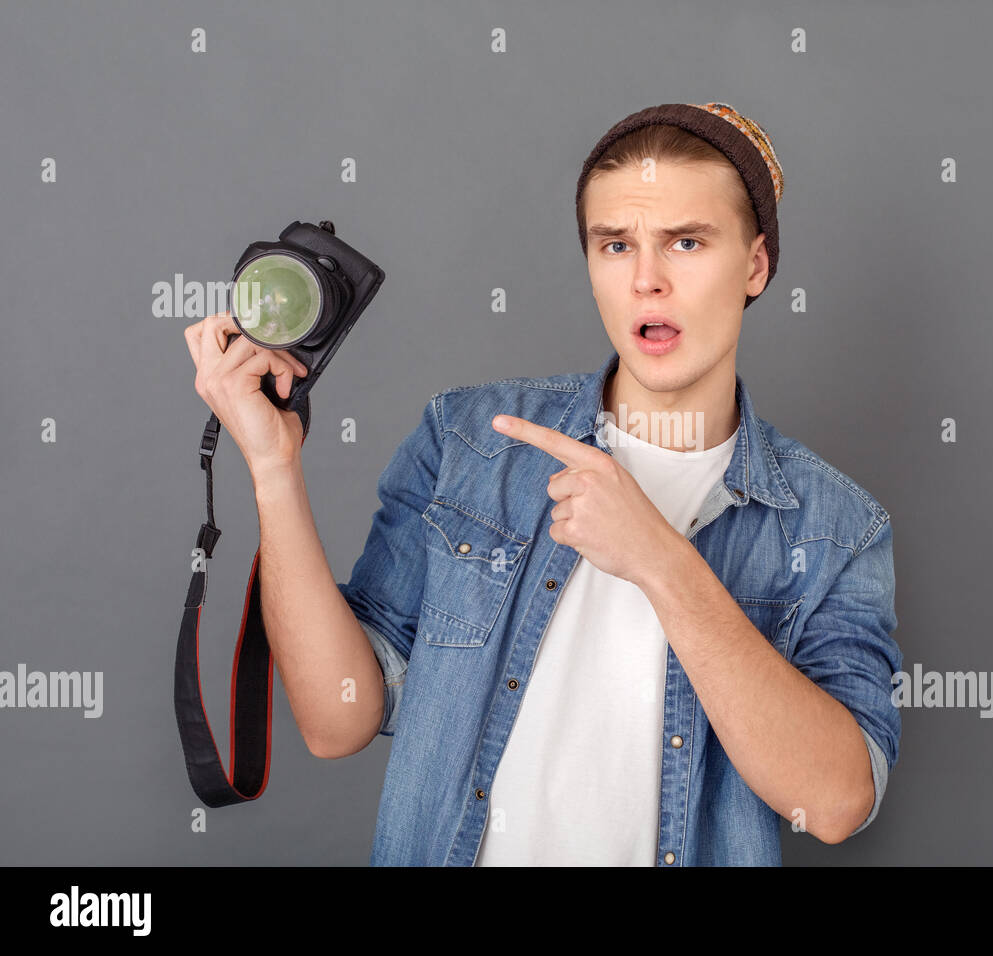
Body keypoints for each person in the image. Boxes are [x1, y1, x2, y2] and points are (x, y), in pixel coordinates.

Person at [185, 102, 902, 867]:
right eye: (616, 244)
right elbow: (337, 722)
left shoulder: (836, 527)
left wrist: (660, 560)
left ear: (754, 265)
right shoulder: (470, 439)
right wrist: (272, 467)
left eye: (687, 243)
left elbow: (833, 803)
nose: (647, 281)